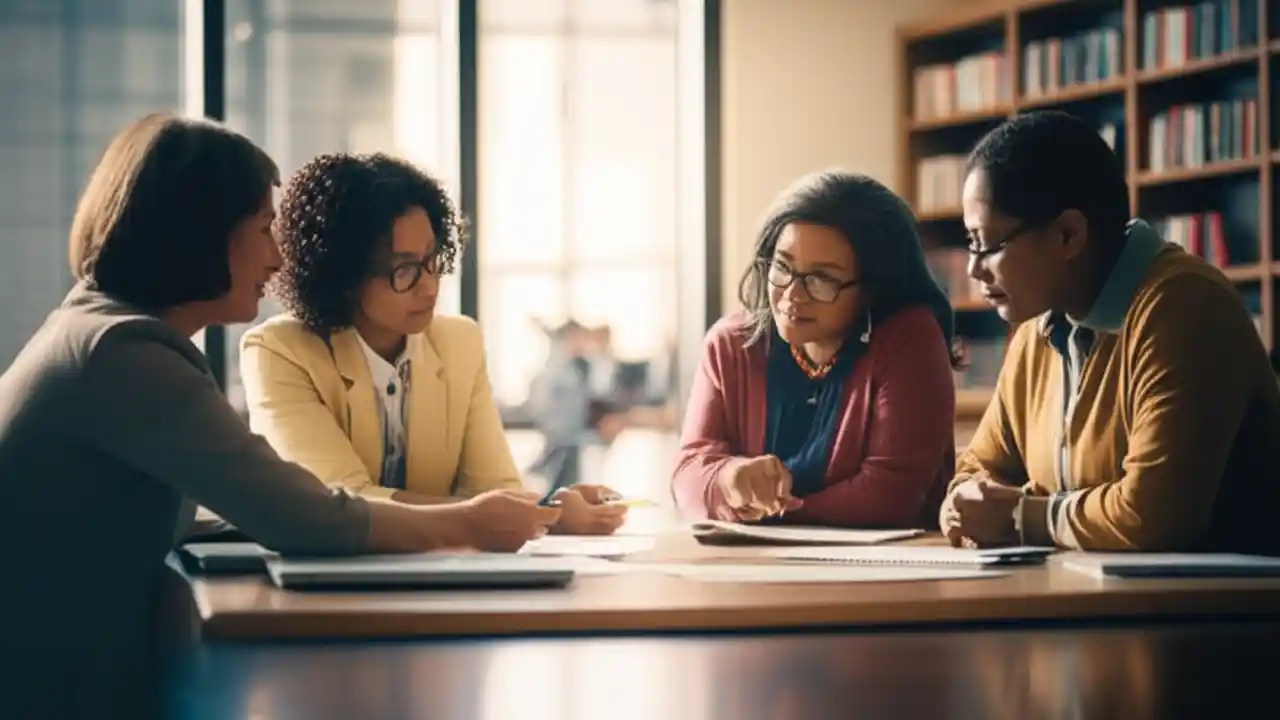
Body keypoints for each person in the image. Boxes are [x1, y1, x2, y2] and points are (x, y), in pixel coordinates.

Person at [0, 115, 560, 718]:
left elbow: (233, 503)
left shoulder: (100, 332)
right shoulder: (124, 354)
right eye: (265, 229)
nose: (276, 258)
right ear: (200, 234)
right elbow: (306, 516)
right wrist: (467, 525)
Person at [940, 110, 1280, 552]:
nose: (973, 267)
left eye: (988, 244)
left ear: (1068, 234)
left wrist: (1019, 517)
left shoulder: (1183, 306)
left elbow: (1151, 517)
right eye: (970, 243)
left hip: (1219, 612)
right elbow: (978, 470)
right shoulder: (1038, 329)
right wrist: (963, 502)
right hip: (1096, 600)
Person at [239, 153, 627, 535]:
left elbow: (495, 491)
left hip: (441, 585)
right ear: (344, 274)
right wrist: (541, 512)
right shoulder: (279, 351)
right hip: (317, 587)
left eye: (432, 261)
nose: (429, 286)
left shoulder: (459, 342)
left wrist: (545, 510)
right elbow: (341, 502)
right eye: (403, 270)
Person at [672, 170, 958, 527]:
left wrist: (773, 512)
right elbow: (688, 472)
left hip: (888, 573)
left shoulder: (909, 339)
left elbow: (889, 497)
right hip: (756, 568)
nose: (792, 295)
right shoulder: (732, 342)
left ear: (873, 288)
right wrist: (729, 480)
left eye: (822, 279)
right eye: (782, 267)